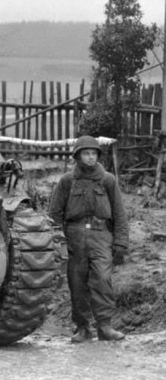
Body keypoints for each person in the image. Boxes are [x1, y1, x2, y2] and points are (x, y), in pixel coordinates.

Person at [48, 135, 129, 343]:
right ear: (78, 156)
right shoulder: (68, 181)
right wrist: (57, 241)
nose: (91, 158)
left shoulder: (108, 180)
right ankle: (82, 327)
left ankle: (105, 326)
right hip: (74, 236)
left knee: (102, 279)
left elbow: (119, 213)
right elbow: (54, 214)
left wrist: (120, 243)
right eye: (86, 153)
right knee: (77, 282)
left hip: (101, 235)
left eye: (94, 153)